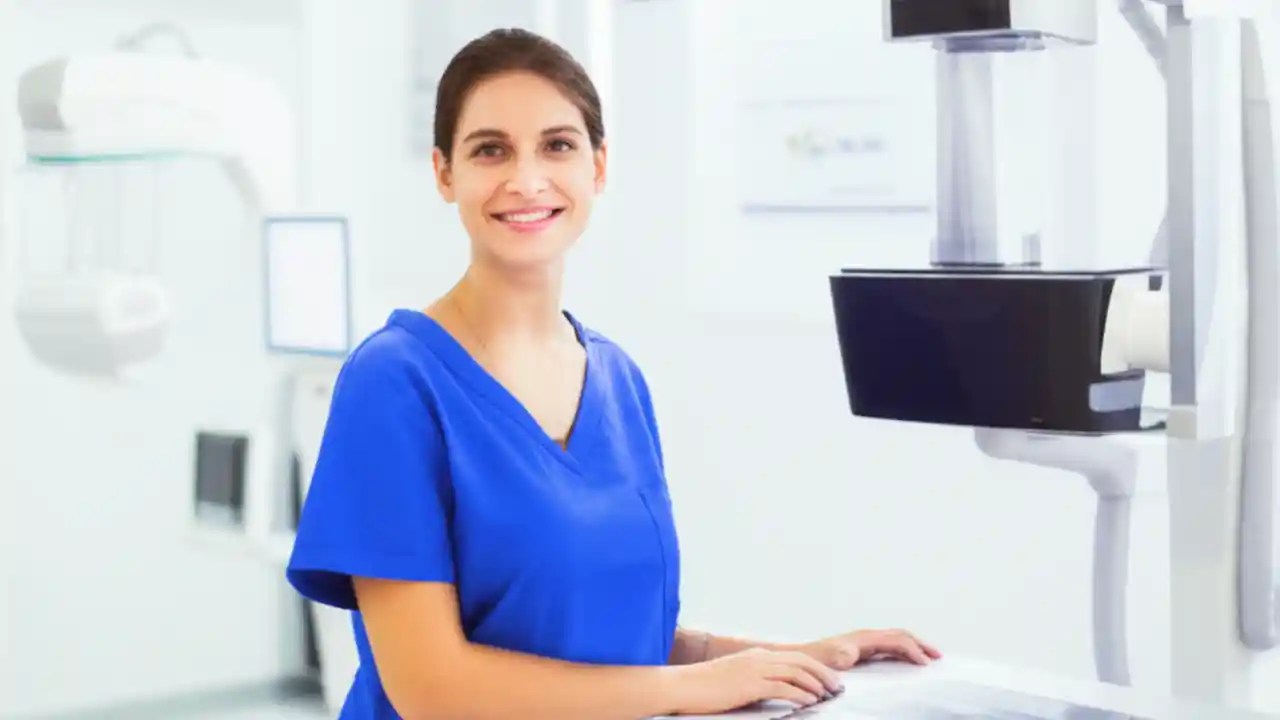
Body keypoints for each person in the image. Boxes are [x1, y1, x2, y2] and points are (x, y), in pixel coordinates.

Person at [285, 27, 941, 720]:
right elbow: (430, 689)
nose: (527, 178)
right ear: (445, 173)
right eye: (491, 149)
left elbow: (622, 649)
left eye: (558, 145)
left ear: (598, 167)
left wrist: (796, 658)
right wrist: (693, 689)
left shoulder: (617, 379)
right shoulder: (394, 382)